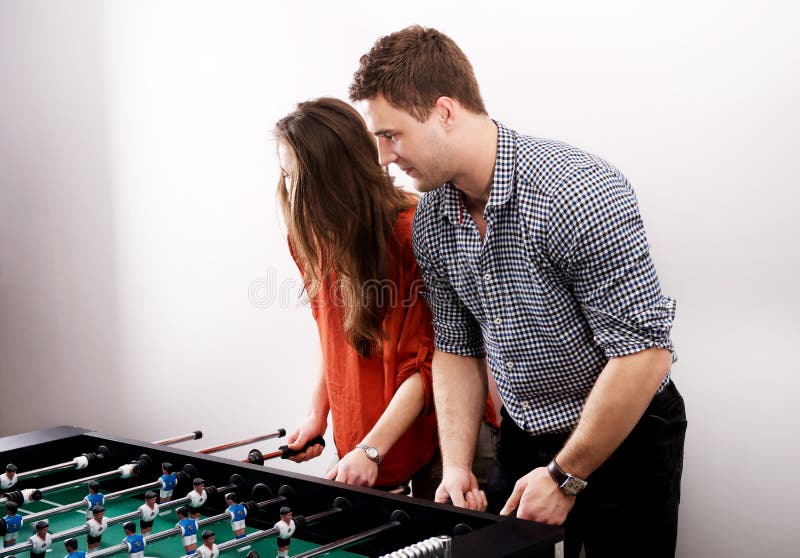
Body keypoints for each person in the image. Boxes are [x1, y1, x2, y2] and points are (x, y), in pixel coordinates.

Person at [350, 25, 687, 558]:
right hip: (524, 434)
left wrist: (566, 477)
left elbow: (645, 355)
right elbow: (456, 348)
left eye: (391, 135)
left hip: (629, 435)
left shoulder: (575, 192)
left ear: (444, 112)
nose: (383, 157)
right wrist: (457, 464)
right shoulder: (433, 218)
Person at [276, 97, 499, 497]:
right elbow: (333, 334)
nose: (291, 193)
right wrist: (317, 415)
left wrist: (371, 449)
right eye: (285, 176)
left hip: (445, 430)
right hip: (374, 434)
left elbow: (430, 365)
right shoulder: (311, 237)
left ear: (334, 180)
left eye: (299, 180)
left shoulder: (413, 232)